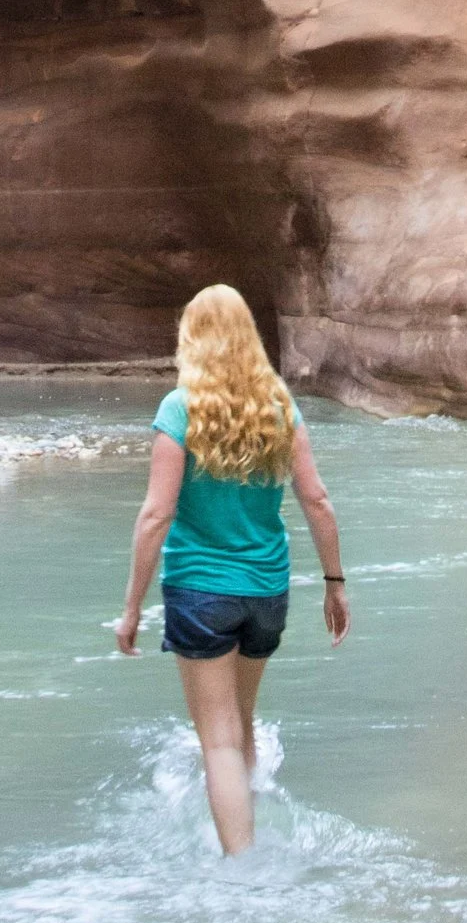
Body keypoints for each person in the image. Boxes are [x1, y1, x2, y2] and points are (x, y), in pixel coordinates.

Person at [114, 284, 349, 854]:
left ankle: (241, 871)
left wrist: (130, 607)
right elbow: (316, 499)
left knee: (216, 740)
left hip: (200, 592)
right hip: (267, 591)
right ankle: (249, 826)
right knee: (241, 724)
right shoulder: (279, 406)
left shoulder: (180, 408)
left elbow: (155, 515)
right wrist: (335, 584)